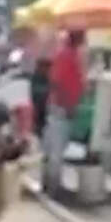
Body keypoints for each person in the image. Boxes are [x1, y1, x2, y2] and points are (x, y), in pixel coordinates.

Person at [41, 28, 87, 197]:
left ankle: (52, 183)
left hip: (63, 105)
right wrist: (67, 105)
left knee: (56, 146)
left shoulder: (72, 55)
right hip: (61, 107)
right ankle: (52, 186)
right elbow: (57, 82)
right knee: (56, 148)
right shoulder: (66, 55)